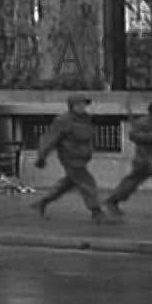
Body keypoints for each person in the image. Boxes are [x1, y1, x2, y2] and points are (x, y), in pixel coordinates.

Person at [29, 94, 106, 222]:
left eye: (84, 104)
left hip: (82, 157)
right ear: (72, 106)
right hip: (69, 156)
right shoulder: (63, 120)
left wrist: (90, 150)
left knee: (68, 183)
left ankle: (42, 202)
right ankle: (96, 210)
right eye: (79, 105)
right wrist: (42, 156)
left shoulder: (86, 119)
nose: (82, 107)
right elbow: (49, 139)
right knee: (87, 182)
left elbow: (89, 138)